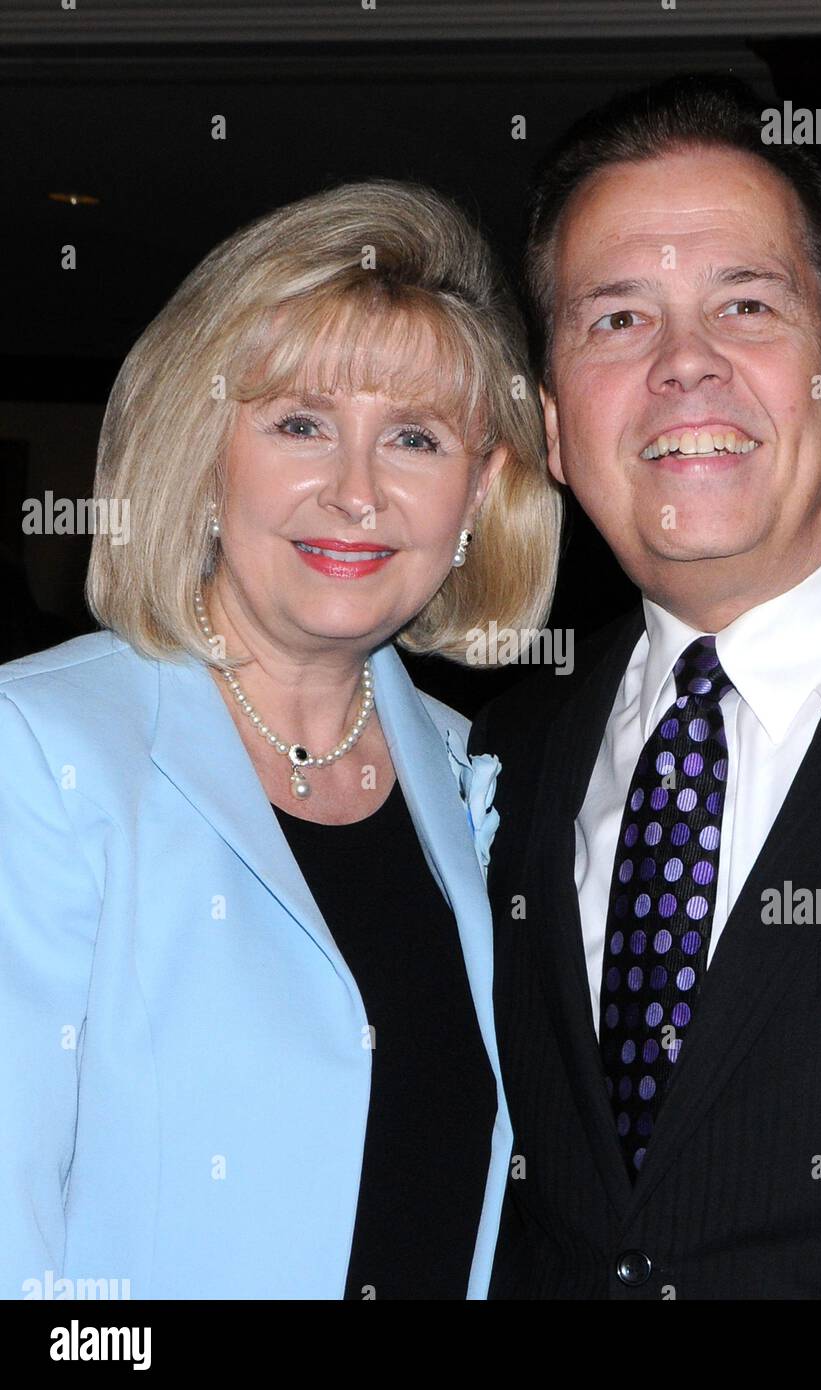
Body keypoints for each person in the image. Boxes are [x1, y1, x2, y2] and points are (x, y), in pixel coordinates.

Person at [470, 73, 821, 1299]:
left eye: (746, 304)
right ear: (558, 433)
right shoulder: (495, 765)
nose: (685, 364)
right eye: (617, 321)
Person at [0, 178, 561, 1300]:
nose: (356, 493)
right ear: (204, 455)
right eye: (301, 423)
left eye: (413, 437)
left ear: (478, 493)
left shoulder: (473, 774)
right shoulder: (42, 751)